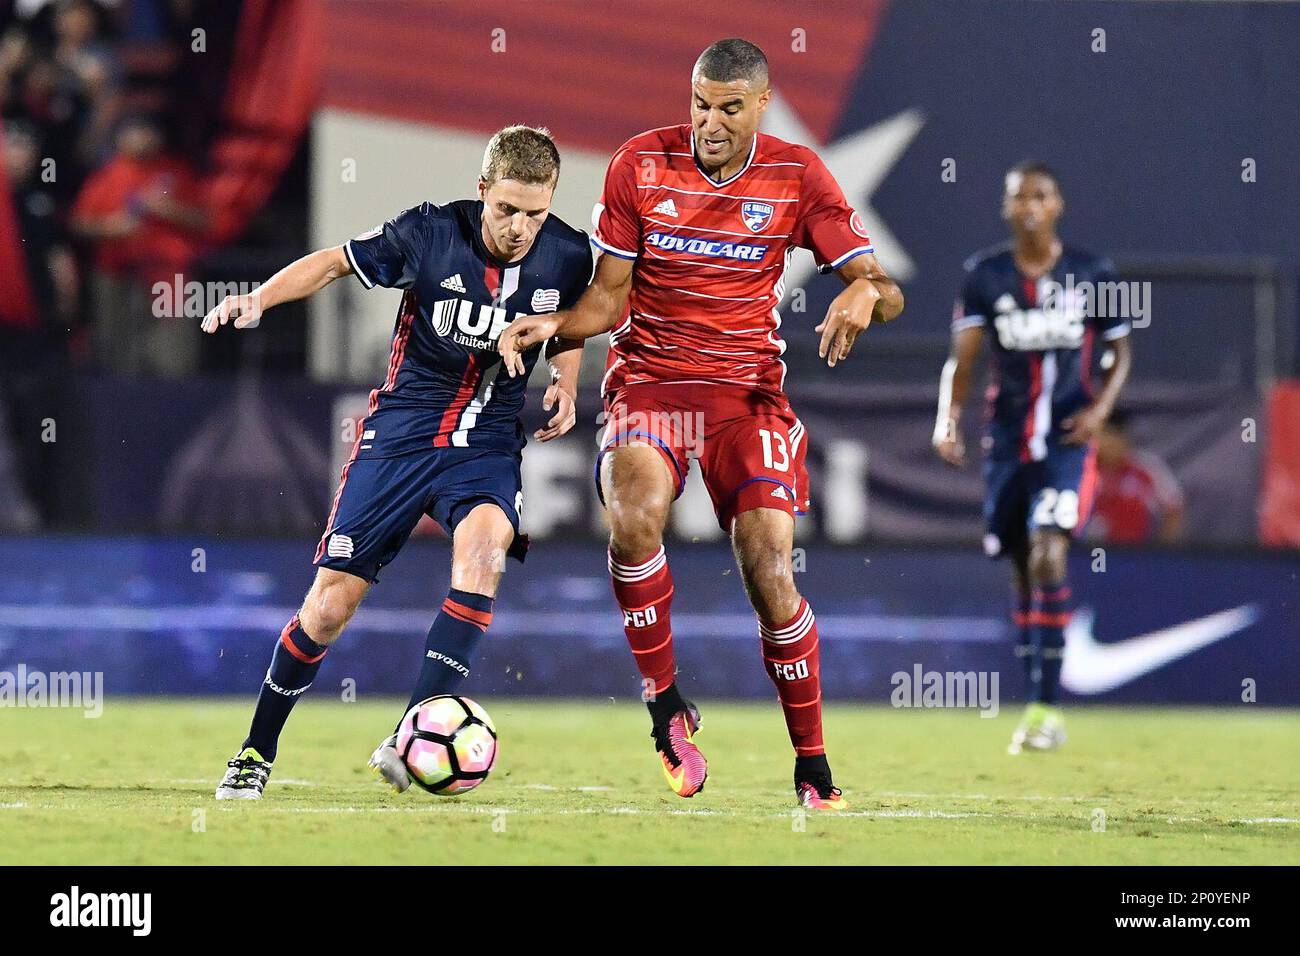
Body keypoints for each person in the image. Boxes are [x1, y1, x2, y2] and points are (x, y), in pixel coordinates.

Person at [499, 40, 903, 810]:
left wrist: (864, 295)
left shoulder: (797, 173)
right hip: (651, 388)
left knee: (770, 571)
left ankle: (813, 769)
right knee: (635, 518)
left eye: (726, 108)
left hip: (746, 399)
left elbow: (881, 289)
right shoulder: (639, 166)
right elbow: (608, 298)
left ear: (759, 104)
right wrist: (550, 329)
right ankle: (665, 708)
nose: (708, 122)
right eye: (698, 104)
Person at [204, 126, 592, 799]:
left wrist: (565, 379)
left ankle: (412, 729)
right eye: (506, 210)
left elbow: (574, 319)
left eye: (535, 211)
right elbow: (332, 261)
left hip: (488, 441)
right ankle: (255, 750)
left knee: (486, 552)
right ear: (482, 193)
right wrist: (258, 299)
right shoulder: (429, 233)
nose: (520, 227)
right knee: (327, 608)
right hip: (402, 434)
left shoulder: (567, 254)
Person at [932, 160, 1133, 754]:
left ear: (1058, 204)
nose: (1029, 205)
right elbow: (960, 361)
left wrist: (1099, 413)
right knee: (1023, 572)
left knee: (1049, 554)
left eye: (1040, 195)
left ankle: (1046, 708)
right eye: (1018, 196)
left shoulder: (1094, 272)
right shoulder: (984, 276)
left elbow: (1121, 351)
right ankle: (1039, 703)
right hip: (1007, 447)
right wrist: (948, 419)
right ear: (1006, 207)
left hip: (1067, 445)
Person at [1086, 409, 1184, 543]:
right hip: (1088, 553)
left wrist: (1165, 552)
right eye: (1099, 438)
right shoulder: (1084, 468)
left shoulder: (1145, 466)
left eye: (1111, 437)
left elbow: (1174, 509)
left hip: (1134, 555)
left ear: (1123, 438)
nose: (1105, 445)